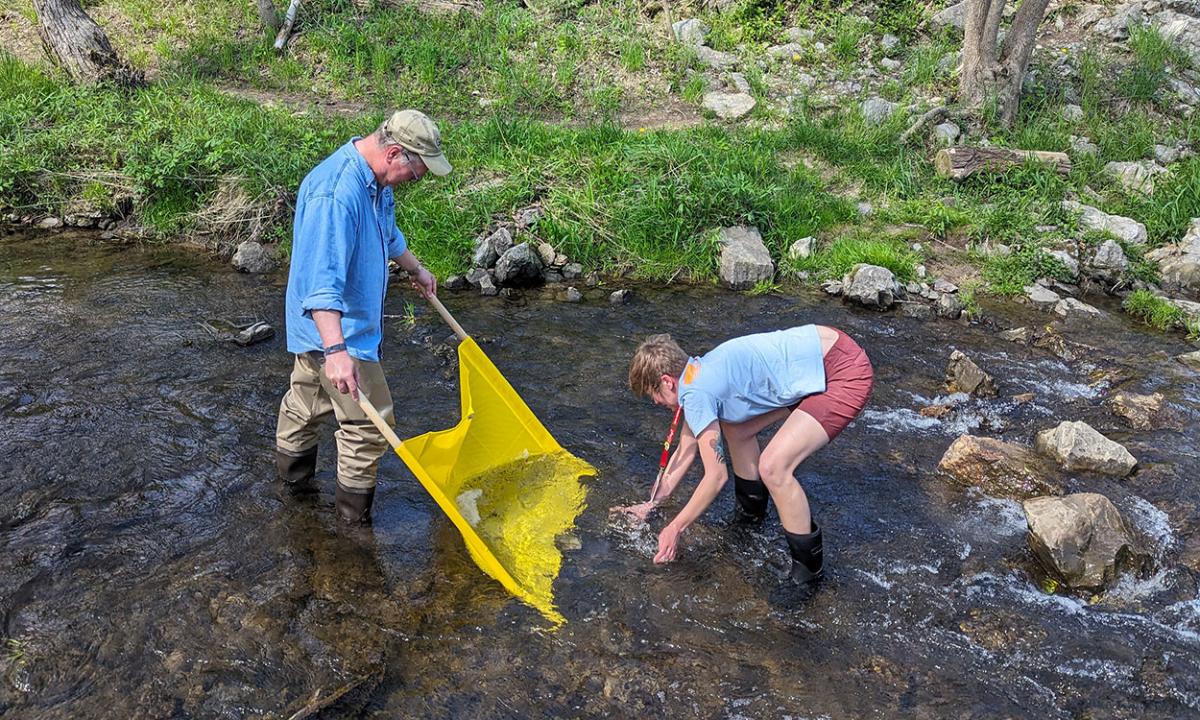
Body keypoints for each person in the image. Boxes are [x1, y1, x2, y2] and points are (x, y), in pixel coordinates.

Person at [275, 109, 451, 524]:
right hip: (339, 333)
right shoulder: (336, 195)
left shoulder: (375, 180)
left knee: (307, 403)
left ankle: (290, 494)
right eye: (417, 173)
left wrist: (414, 267)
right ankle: (353, 529)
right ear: (395, 154)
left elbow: (386, 231)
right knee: (368, 429)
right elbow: (321, 282)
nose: (416, 182)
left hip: (327, 333)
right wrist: (336, 351)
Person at [618, 325, 873, 583]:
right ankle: (750, 520)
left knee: (774, 467)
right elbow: (685, 451)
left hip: (843, 372)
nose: (656, 403)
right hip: (828, 350)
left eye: (653, 395)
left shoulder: (695, 394)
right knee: (736, 429)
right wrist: (650, 503)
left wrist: (675, 528)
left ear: (666, 381)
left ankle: (809, 575)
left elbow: (716, 477)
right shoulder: (696, 374)